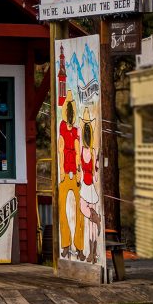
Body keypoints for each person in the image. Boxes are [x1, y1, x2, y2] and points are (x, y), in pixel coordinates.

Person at [58, 90, 84, 259]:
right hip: (65, 174)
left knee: (79, 210)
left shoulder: (75, 132)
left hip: (74, 173)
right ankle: (66, 244)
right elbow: (60, 150)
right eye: (68, 111)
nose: (69, 115)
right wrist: (61, 171)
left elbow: (77, 152)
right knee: (63, 210)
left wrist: (79, 171)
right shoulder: (61, 128)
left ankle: (80, 247)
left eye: (71, 111)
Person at [79, 107, 101, 265]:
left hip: (89, 185)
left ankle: (92, 253)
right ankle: (95, 216)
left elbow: (95, 172)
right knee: (87, 216)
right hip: (88, 184)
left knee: (91, 225)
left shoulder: (90, 151)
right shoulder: (86, 150)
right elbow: (95, 173)